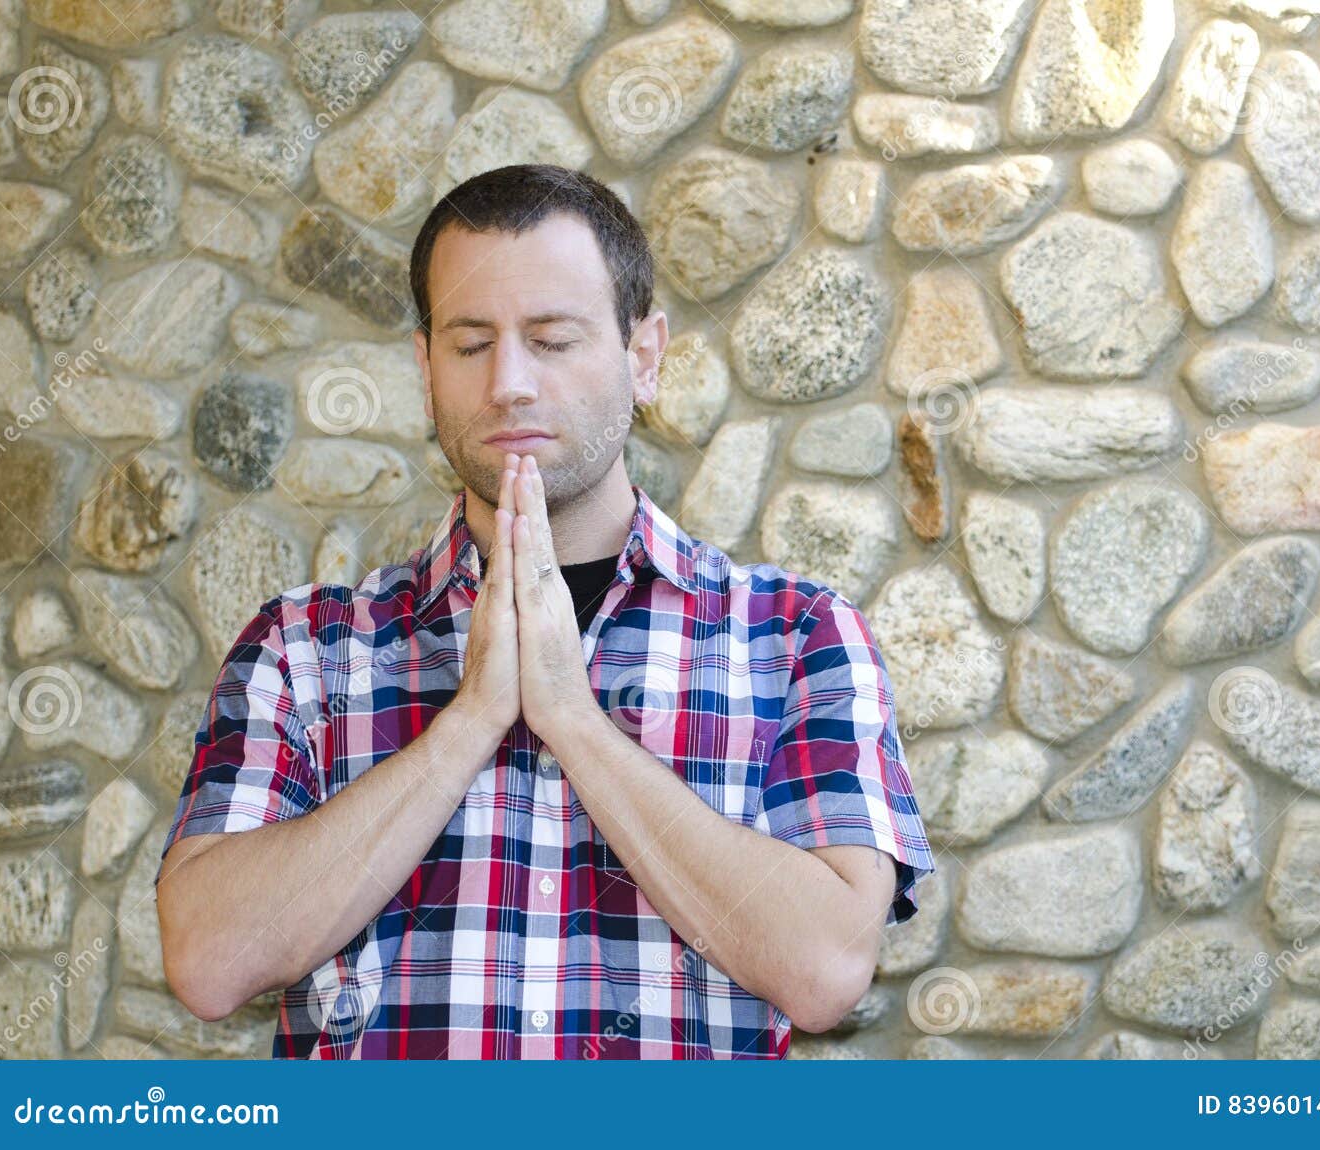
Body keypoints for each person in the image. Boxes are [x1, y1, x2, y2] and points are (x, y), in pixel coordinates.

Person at [154, 164, 935, 1059]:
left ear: (644, 358)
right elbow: (209, 963)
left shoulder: (796, 636)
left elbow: (826, 969)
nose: (509, 384)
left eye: (553, 339)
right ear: (425, 369)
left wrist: (570, 717)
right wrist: (469, 721)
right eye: (470, 344)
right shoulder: (303, 646)